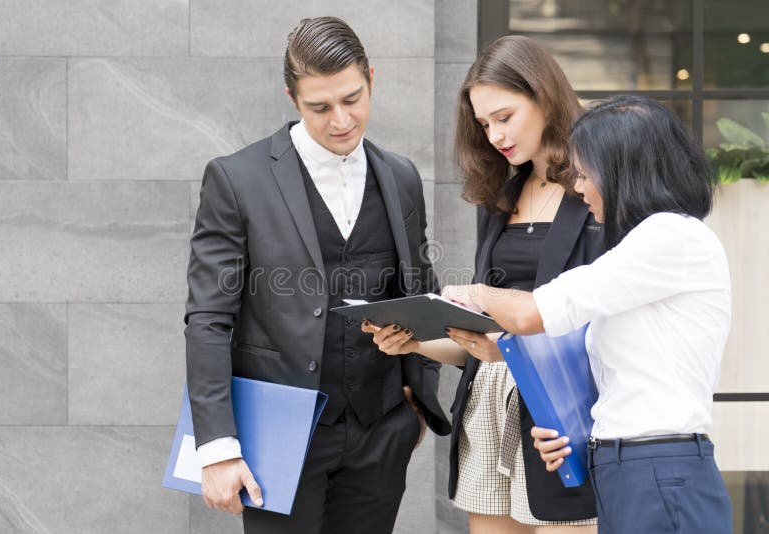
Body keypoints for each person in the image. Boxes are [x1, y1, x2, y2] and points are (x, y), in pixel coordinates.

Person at [184, 16, 450, 534]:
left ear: (371, 77)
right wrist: (216, 449)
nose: (341, 120)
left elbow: (421, 291)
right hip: (277, 434)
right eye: (320, 107)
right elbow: (208, 319)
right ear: (292, 97)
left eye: (353, 98)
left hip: (381, 430)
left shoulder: (400, 177)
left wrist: (415, 402)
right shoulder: (237, 179)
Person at [438, 95, 734, 534]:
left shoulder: (671, 238)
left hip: (657, 467)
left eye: (586, 173)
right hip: (625, 466)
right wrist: (570, 435)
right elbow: (608, 368)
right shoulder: (646, 244)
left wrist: (470, 293)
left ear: (623, 172)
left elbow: (533, 313)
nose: (578, 188)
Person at [364, 35, 599, 533]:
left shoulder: (597, 191)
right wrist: (415, 341)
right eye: (484, 123)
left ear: (544, 97)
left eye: (504, 117)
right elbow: (481, 344)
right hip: (488, 406)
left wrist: (510, 342)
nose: (494, 135)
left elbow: (598, 322)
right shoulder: (503, 195)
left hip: (560, 414)